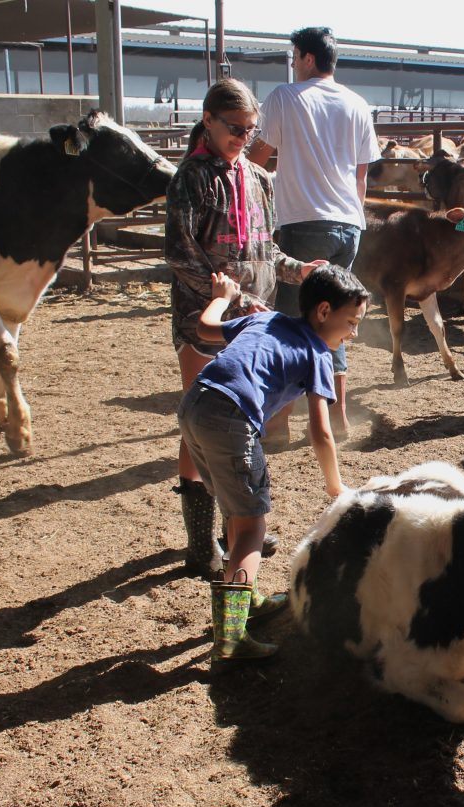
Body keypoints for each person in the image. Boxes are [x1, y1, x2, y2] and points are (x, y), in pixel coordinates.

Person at [166, 78, 326, 579]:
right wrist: (232, 297)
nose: (243, 137)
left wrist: (299, 270)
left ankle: (236, 525)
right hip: (206, 316)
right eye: (235, 128)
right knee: (200, 417)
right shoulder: (191, 177)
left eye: (250, 130)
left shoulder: (258, 177)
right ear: (208, 120)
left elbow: (266, 249)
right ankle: (201, 542)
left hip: (253, 316)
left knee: (243, 420)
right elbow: (180, 253)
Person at [177, 265, 369, 663]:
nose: (353, 333)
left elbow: (205, 330)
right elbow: (321, 432)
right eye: (351, 322)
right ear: (323, 311)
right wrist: (336, 486)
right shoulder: (318, 354)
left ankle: (247, 598)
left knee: (237, 514)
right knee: (252, 529)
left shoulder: (265, 319)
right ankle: (231, 639)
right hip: (232, 418)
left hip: (194, 407)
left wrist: (222, 298)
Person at [248, 26, 383, 443]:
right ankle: (337, 420)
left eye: (294, 58)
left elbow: (255, 158)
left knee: (292, 322)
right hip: (348, 225)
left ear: (307, 58)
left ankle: (278, 424)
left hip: (303, 223)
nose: (293, 65)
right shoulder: (357, 104)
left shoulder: (285, 98)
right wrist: (352, 217)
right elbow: (361, 175)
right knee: (335, 320)